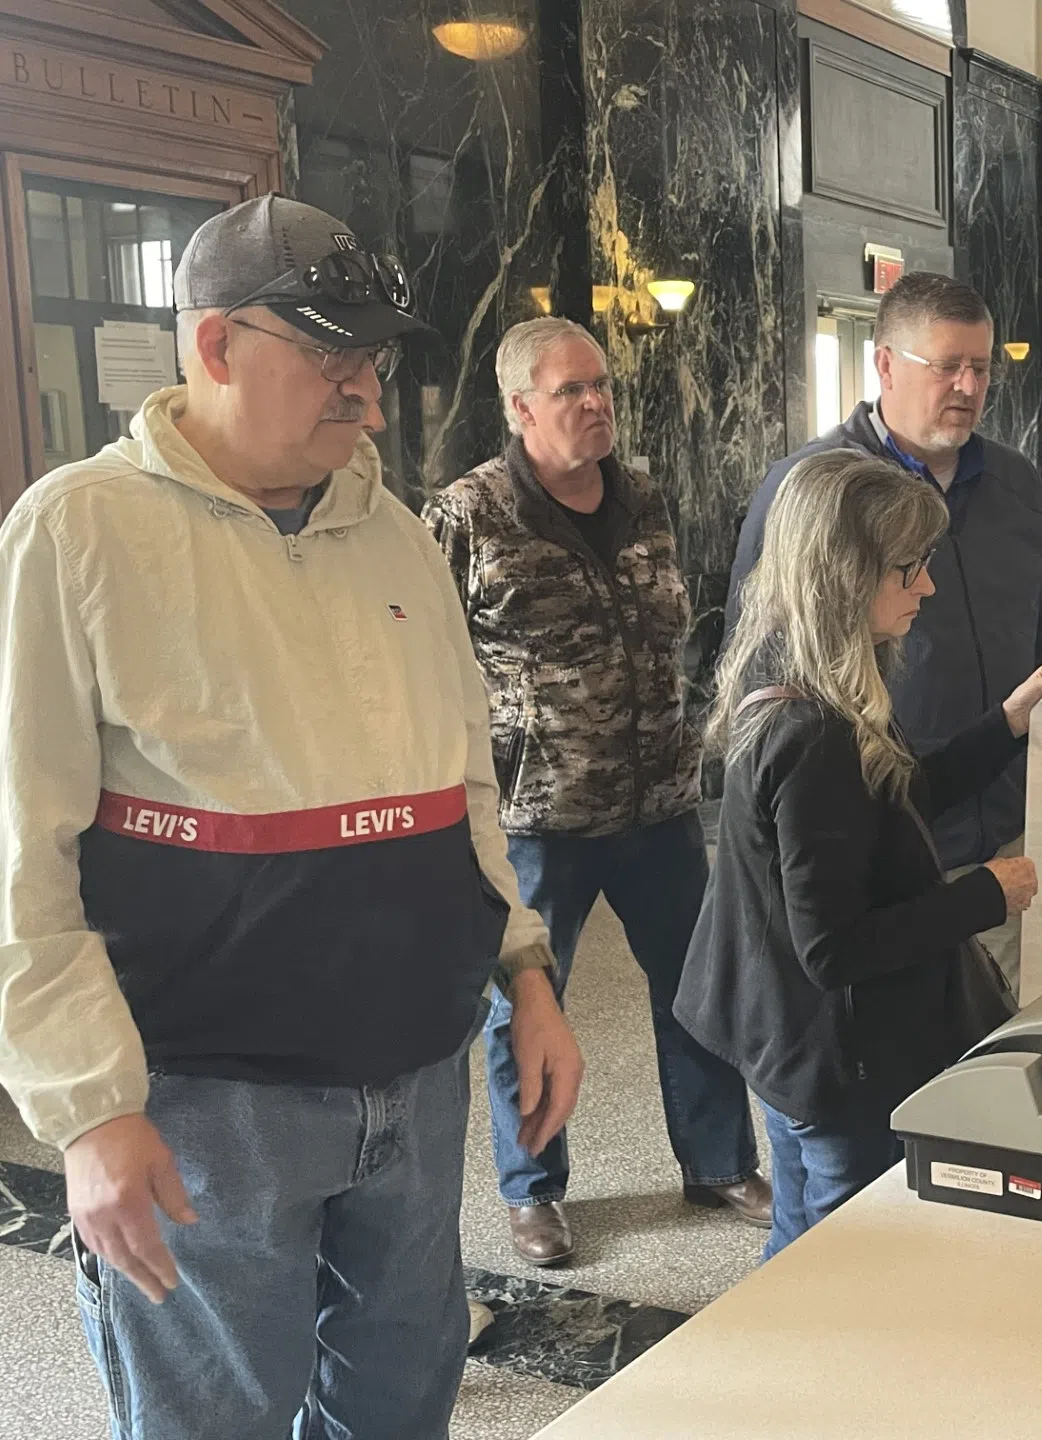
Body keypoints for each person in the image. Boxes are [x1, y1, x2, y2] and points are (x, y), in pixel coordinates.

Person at [0, 196, 583, 1438]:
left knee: (399, 1398)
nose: (366, 394)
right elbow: (21, 852)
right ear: (213, 346)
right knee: (216, 1415)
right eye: (331, 356)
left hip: (417, 1076)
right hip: (214, 1099)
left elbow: (463, 781)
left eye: (372, 360)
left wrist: (524, 970)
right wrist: (90, 1110)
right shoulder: (79, 532)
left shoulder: (399, 537)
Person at [424, 318, 769, 1265]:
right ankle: (532, 1190)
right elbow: (428, 659)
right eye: (571, 390)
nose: (595, 403)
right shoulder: (467, 513)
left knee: (696, 987)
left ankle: (718, 1160)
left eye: (602, 385)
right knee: (527, 1001)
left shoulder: (645, 494)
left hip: (659, 801)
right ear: (520, 406)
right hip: (539, 815)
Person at [681, 450, 1042, 1258]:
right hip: (829, 1056)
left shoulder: (819, 677)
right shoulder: (814, 731)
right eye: (909, 568)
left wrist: (1008, 719)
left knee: (798, 1236)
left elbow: (895, 802)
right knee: (841, 1251)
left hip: (787, 1035)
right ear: (844, 575)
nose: (926, 587)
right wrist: (985, 895)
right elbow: (834, 947)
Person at [727, 272, 1042, 994]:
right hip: (875, 837)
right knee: (895, 1033)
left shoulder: (1016, 484)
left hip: (1001, 815)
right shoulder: (813, 489)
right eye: (946, 366)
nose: (966, 385)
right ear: (886, 364)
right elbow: (758, 671)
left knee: (993, 1030)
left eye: (981, 367)